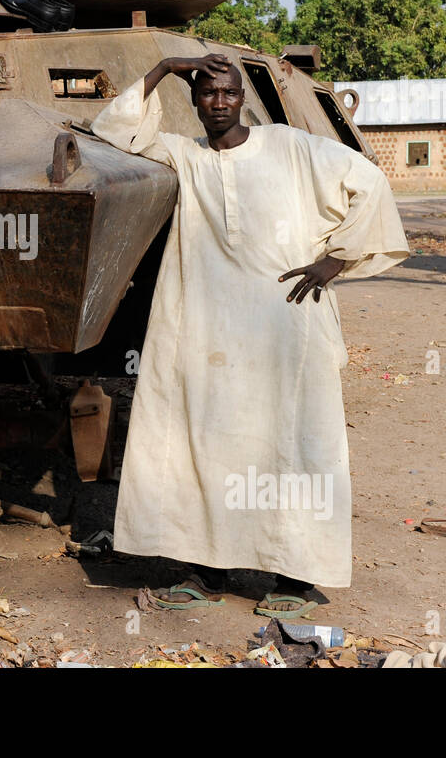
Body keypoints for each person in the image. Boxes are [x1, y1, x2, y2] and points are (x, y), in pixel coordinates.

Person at [91, 53, 409, 614]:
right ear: (195, 101)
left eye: (229, 93)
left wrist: (334, 261)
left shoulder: (289, 147)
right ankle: (202, 569)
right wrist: (167, 66)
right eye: (208, 92)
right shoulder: (183, 155)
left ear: (243, 98)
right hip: (204, 330)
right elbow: (114, 129)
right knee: (205, 441)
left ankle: (294, 579)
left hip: (287, 325)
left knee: (294, 446)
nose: (219, 102)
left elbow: (369, 180)